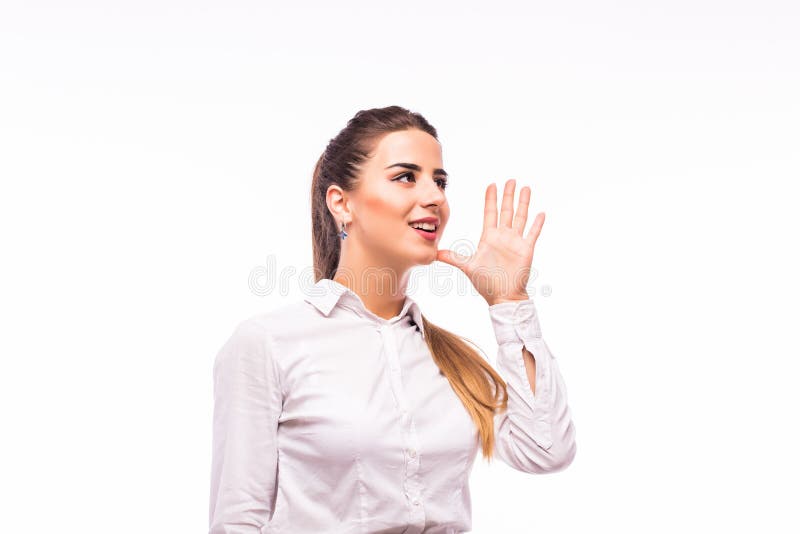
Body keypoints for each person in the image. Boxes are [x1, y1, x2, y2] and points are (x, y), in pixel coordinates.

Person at [209, 105, 577, 533]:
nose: (435, 197)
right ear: (342, 203)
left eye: (440, 181)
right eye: (406, 177)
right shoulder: (269, 344)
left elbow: (546, 449)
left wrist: (509, 301)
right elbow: (238, 521)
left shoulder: (453, 361)